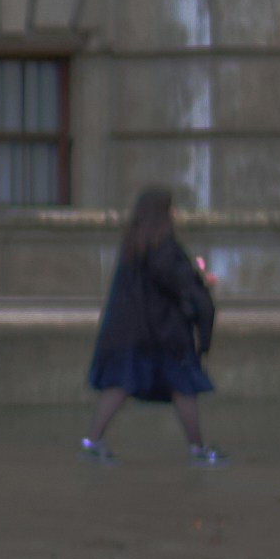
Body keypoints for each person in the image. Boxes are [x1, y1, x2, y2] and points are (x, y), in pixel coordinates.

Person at [80, 187, 224, 464]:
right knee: (183, 388)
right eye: (172, 208)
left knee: (120, 385)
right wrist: (201, 282)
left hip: (135, 333)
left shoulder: (135, 244)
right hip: (163, 333)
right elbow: (178, 284)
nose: (176, 213)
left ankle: (93, 441)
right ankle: (198, 448)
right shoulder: (164, 246)